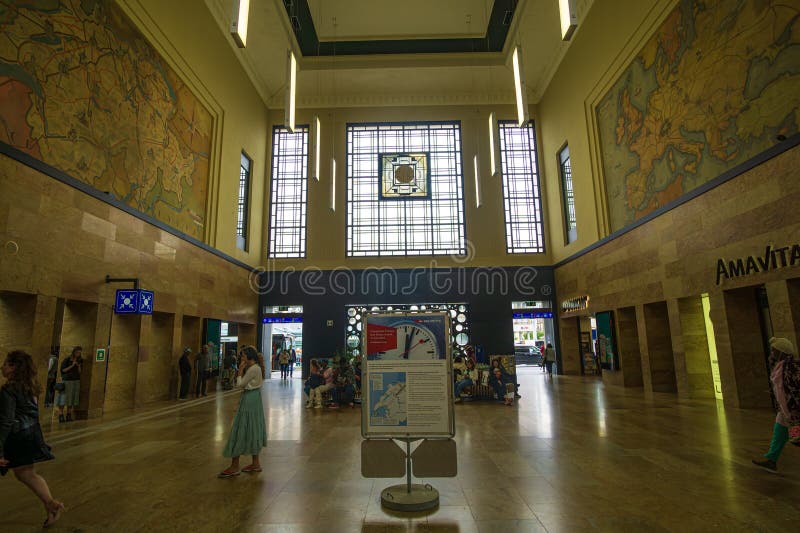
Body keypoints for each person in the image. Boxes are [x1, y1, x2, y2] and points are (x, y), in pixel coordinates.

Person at [0, 351, 64, 527]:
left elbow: (6, 420)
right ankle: (51, 505)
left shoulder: (9, 389)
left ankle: (51, 505)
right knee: (27, 474)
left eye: (5, 363)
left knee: (25, 474)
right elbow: (33, 414)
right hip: (30, 434)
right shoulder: (31, 386)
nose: (2, 367)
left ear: (13, 367)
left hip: (17, 436)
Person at [218, 346, 267, 478]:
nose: (242, 357)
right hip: (255, 398)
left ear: (249, 356)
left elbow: (240, 384)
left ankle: (234, 466)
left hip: (249, 398)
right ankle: (255, 463)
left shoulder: (252, 369)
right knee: (253, 427)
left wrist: (239, 371)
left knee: (240, 427)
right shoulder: (257, 368)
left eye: (244, 355)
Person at [752, 337, 800, 473]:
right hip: (786, 410)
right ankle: (772, 459)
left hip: (794, 409)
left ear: (782, 352)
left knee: (796, 436)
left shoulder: (793, 367)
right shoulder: (779, 367)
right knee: (780, 430)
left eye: (774, 351)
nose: (772, 354)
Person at [59, 347, 82, 422]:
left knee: (72, 398)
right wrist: (72, 365)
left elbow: (80, 372)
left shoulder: (80, 360)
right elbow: (63, 370)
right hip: (67, 381)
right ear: (74, 352)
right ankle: (60, 414)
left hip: (75, 381)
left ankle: (68, 414)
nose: (78, 354)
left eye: (80, 352)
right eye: (77, 352)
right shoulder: (67, 360)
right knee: (63, 398)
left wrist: (78, 366)